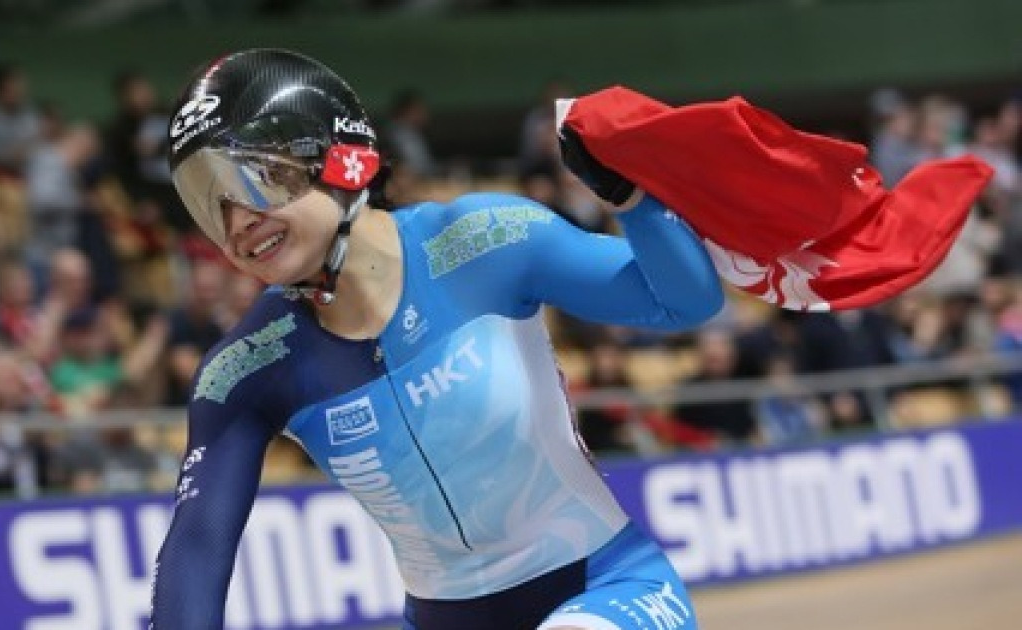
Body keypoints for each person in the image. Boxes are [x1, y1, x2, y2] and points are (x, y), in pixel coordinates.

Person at [150, 49, 722, 630]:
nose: (235, 220)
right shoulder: (246, 369)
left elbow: (685, 300)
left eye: (253, 177)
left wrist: (632, 198)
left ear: (340, 157)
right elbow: (197, 548)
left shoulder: (487, 241)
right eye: (205, 200)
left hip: (609, 587)